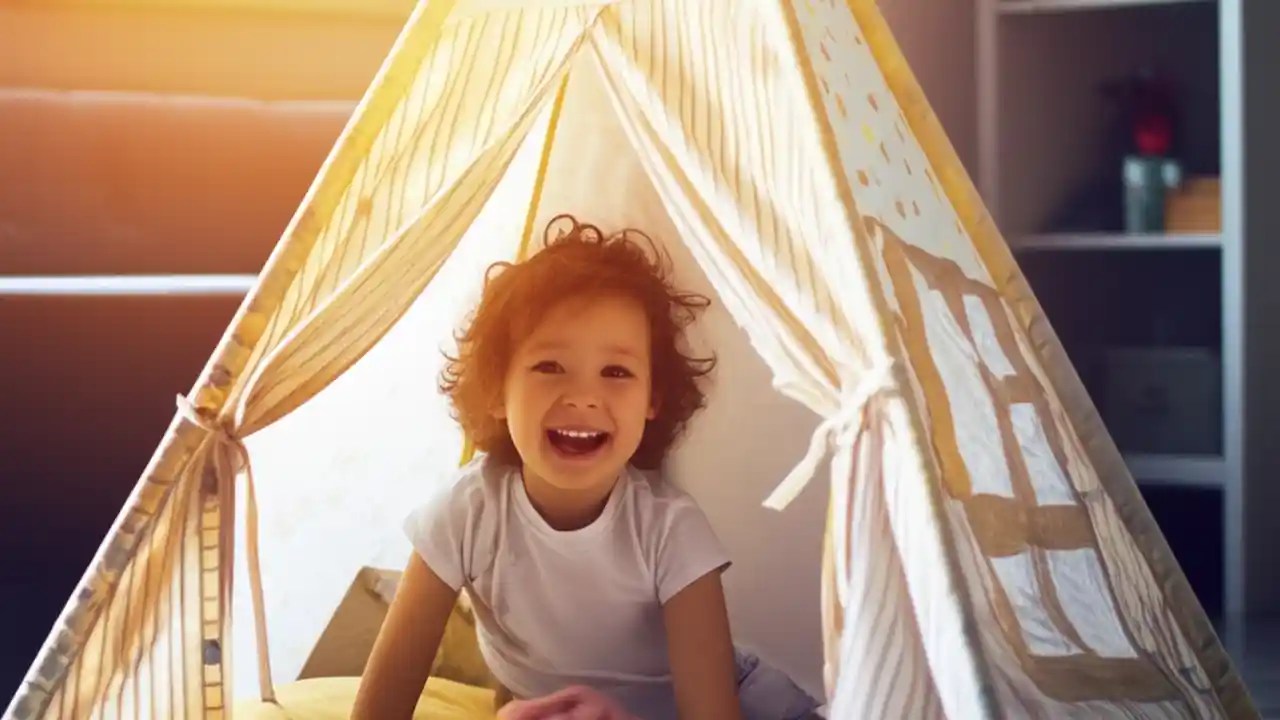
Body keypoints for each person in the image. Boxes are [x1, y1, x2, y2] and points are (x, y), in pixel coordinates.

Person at [353, 215, 821, 720]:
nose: (583, 396)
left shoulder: (669, 530)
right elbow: (381, 705)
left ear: (653, 400)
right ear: (495, 390)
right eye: (549, 366)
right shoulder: (463, 514)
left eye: (616, 372)